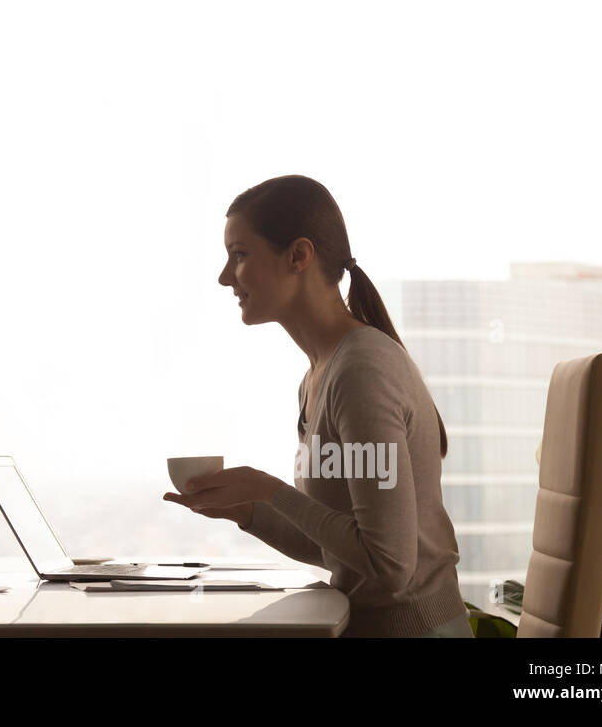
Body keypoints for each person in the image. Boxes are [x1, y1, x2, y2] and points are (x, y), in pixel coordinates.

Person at [163, 175, 472, 638]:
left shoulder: (361, 371)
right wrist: (248, 511)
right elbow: (342, 549)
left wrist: (269, 489)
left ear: (298, 256)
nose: (225, 276)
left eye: (240, 254)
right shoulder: (319, 376)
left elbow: (388, 566)